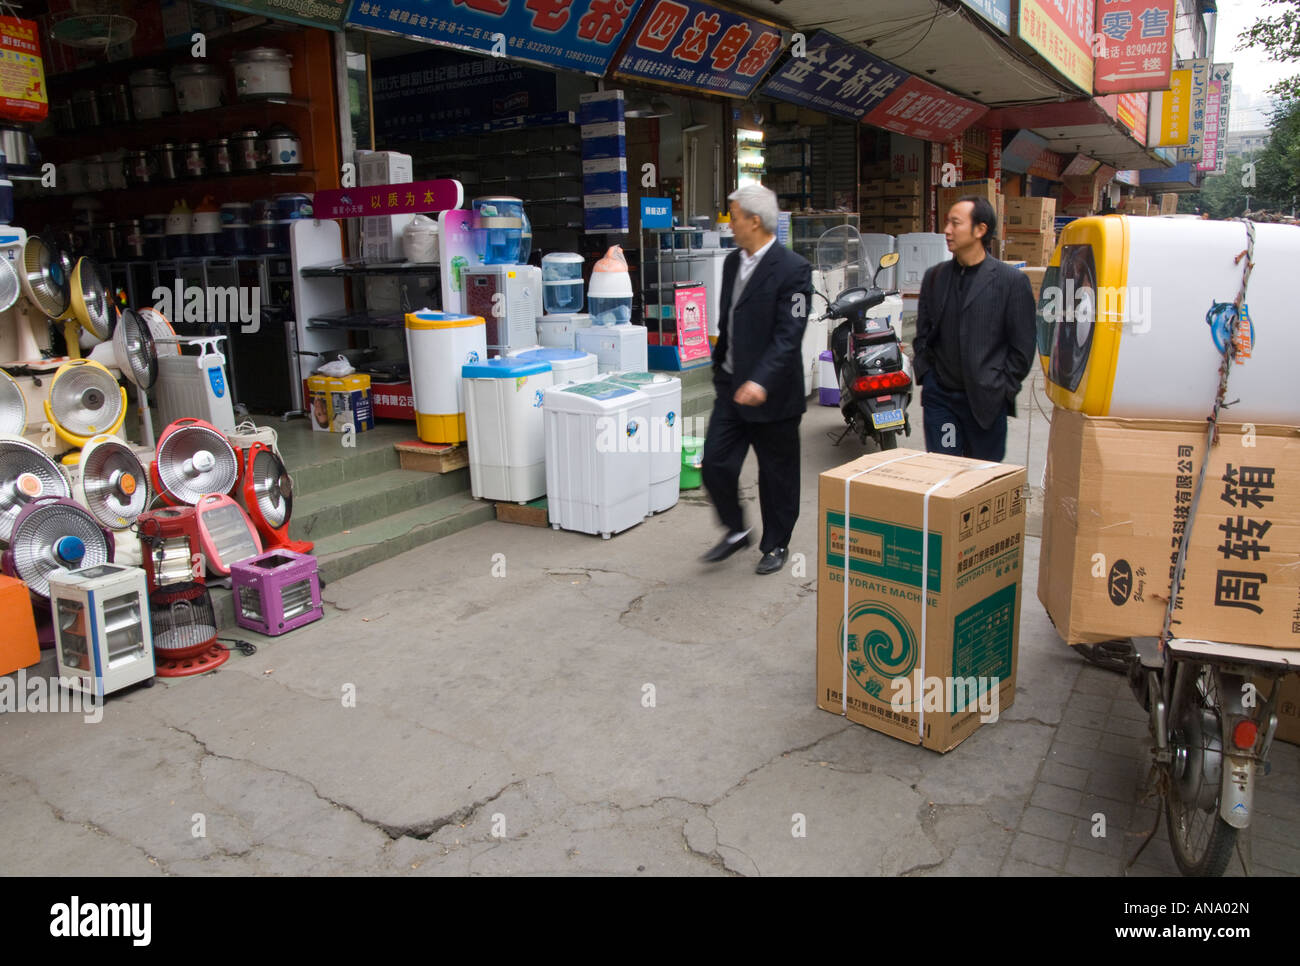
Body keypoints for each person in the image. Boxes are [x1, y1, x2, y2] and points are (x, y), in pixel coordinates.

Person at [700, 184, 812, 575]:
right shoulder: (733, 263)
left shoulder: (794, 269)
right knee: (714, 462)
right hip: (731, 386)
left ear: (755, 220)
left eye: (733, 216)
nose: (728, 223)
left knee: (777, 475)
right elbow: (728, 322)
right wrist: (722, 369)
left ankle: (776, 543)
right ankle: (735, 529)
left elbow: (789, 334)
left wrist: (761, 380)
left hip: (773, 394)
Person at [912, 196, 1036, 462]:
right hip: (940, 400)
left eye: (955, 223)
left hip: (985, 402)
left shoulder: (1010, 282)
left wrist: (1002, 389)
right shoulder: (935, 277)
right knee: (942, 473)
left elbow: (1022, 348)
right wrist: (928, 377)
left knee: (981, 481)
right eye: (947, 222)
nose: (947, 230)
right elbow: (922, 334)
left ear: (980, 230)